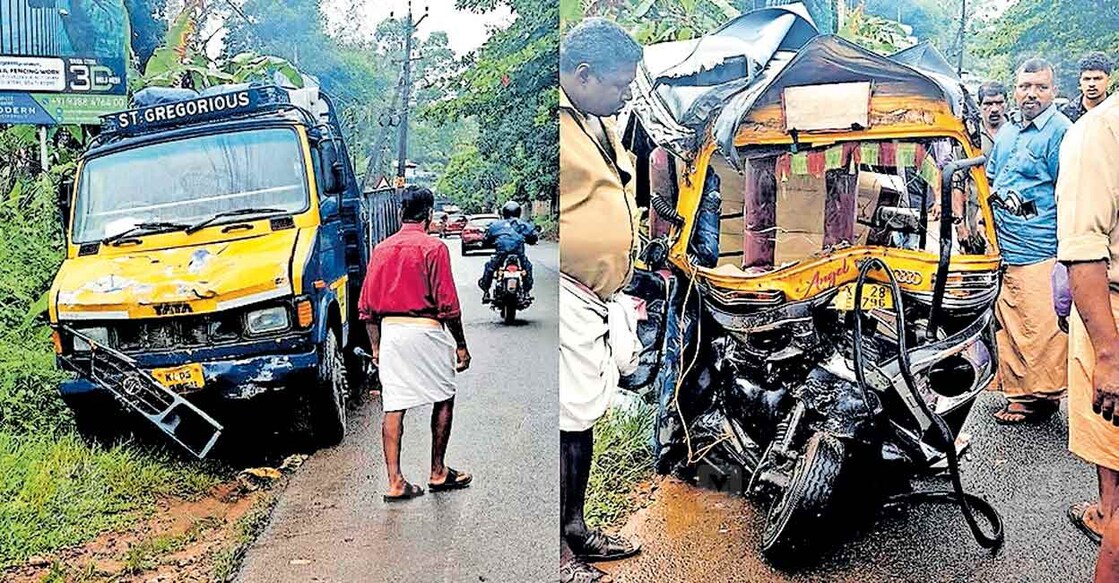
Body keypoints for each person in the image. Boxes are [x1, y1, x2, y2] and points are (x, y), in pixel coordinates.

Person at [559, 18, 644, 583]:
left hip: (594, 298)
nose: (626, 95)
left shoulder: (593, 118)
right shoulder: (557, 125)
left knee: (581, 416)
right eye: (619, 85)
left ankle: (574, 529)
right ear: (582, 75)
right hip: (568, 292)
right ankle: (560, 552)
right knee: (566, 421)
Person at [358, 185, 473, 502]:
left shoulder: (381, 250)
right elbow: (448, 304)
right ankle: (438, 471)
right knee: (444, 396)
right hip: (426, 330)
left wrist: (377, 348)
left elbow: (366, 309)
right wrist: (460, 345)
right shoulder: (433, 249)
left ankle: (395, 481)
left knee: (394, 405)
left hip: (391, 333)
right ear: (430, 214)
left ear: (400, 213)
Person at [985, 58, 1072, 424]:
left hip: (1042, 247)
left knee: (1041, 327)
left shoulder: (1060, 132)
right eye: (1025, 86)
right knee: (1013, 322)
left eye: (1040, 87)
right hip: (1006, 245)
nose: (1031, 94)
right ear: (1015, 89)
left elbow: (1068, 192)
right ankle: (1034, 393)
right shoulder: (1007, 131)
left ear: (1053, 91)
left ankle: (1030, 398)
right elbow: (991, 179)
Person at [1056, 91, 1119, 583]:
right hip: (1110, 318)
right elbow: (1083, 254)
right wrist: (1109, 355)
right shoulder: (1098, 132)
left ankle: (1108, 514)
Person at [478, 200, 539, 302]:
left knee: (490, 267)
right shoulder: (524, 225)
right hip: (519, 255)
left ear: (504, 212)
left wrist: (485, 244)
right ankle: (527, 292)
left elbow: (486, 239)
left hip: (501, 254)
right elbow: (533, 237)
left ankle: (486, 292)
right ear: (518, 212)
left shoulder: (496, 225)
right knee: (527, 268)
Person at [1060, 52, 1113, 123]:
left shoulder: (1115, 110)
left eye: (1097, 79)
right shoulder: (1066, 114)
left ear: (1108, 80)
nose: (1091, 84)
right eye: (1087, 79)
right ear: (1080, 81)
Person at [977, 81, 1009, 156]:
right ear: (979, 105)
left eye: (999, 103)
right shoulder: (972, 134)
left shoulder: (1017, 130)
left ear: (1006, 103)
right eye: (988, 104)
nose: (994, 109)